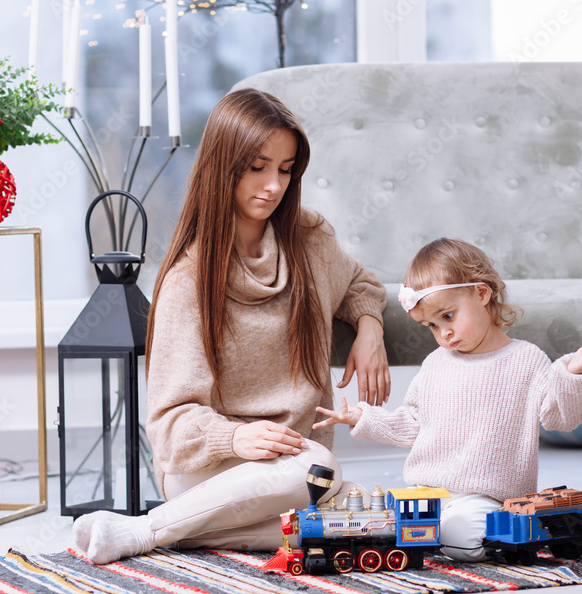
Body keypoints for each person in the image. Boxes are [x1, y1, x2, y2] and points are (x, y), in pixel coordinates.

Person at [74, 88, 390, 564]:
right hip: (208, 470)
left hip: (289, 471)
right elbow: (169, 424)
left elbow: (360, 282)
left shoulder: (309, 239)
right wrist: (234, 437)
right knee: (322, 470)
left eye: (285, 169)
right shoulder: (188, 279)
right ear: (223, 166)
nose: (273, 185)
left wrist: (369, 328)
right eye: (257, 167)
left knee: (363, 510)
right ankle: (145, 529)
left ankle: (179, 532)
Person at [314, 238, 582, 562]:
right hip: (427, 493)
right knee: (377, 519)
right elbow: (414, 425)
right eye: (432, 325)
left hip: (486, 498)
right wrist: (363, 418)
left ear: (482, 293)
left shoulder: (527, 361)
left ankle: (455, 539)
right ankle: (429, 538)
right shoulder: (436, 363)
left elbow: (561, 418)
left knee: (463, 531)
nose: (443, 333)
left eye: (448, 315)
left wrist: (573, 374)